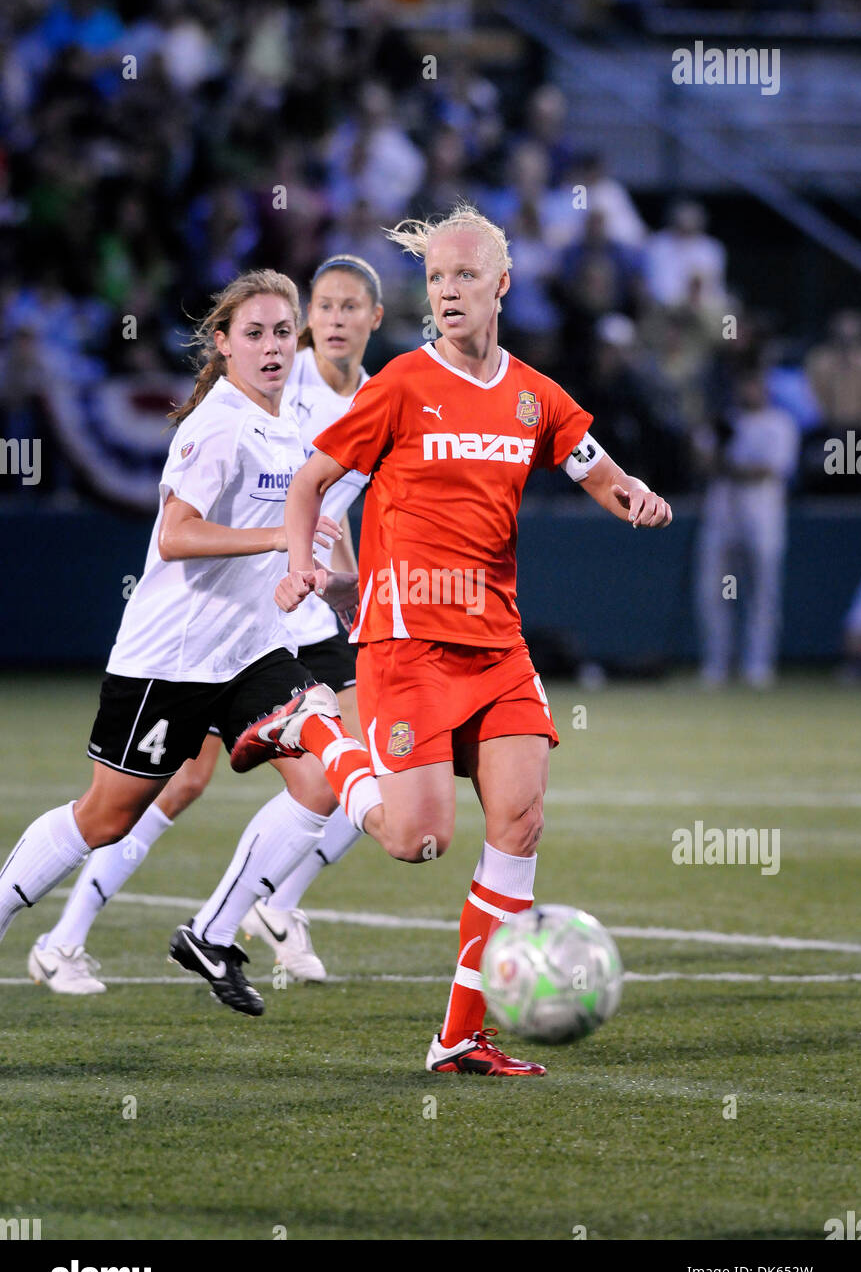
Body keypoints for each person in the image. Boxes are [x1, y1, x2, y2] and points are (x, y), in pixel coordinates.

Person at [229, 205, 672, 1077]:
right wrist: (298, 563)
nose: (448, 292)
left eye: (464, 276)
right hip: (406, 643)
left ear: (500, 284)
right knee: (414, 839)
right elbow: (314, 479)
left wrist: (637, 499)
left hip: (497, 646)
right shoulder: (398, 384)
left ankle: (461, 1036)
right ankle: (312, 725)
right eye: (435, 280)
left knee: (519, 817)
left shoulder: (532, 395)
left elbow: (597, 469)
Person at [26, 256, 384, 996]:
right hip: (181, 649)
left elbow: (319, 514)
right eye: (257, 332)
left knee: (326, 778)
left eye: (286, 330)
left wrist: (341, 585)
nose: (277, 343)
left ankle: (228, 927)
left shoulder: (322, 417)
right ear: (226, 341)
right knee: (121, 810)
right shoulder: (233, 415)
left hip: (266, 639)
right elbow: (179, 534)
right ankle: (51, 931)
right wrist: (281, 542)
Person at [695, 366, 799, 687]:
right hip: (721, 516)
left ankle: (758, 667)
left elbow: (768, 470)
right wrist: (715, 445)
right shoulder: (725, 419)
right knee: (713, 593)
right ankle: (716, 665)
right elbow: (699, 461)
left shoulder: (780, 424)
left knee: (762, 594)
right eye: (744, 384)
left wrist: (726, 462)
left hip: (762, 518)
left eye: (755, 384)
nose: (749, 390)